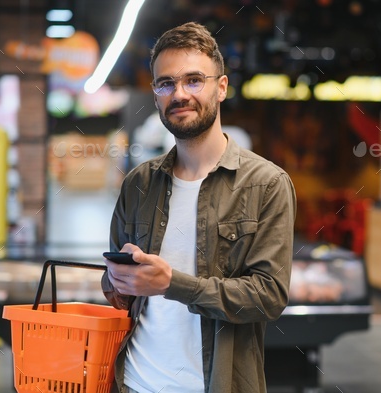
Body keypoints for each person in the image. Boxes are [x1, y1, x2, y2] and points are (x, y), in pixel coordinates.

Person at [101, 22, 296, 393]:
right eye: (166, 83)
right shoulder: (139, 184)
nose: (179, 94)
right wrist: (119, 281)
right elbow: (112, 288)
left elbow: (268, 296)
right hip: (134, 382)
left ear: (220, 88)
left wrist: (173, 284)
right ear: (156, 94)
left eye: (194, 80)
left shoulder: (266, 184)